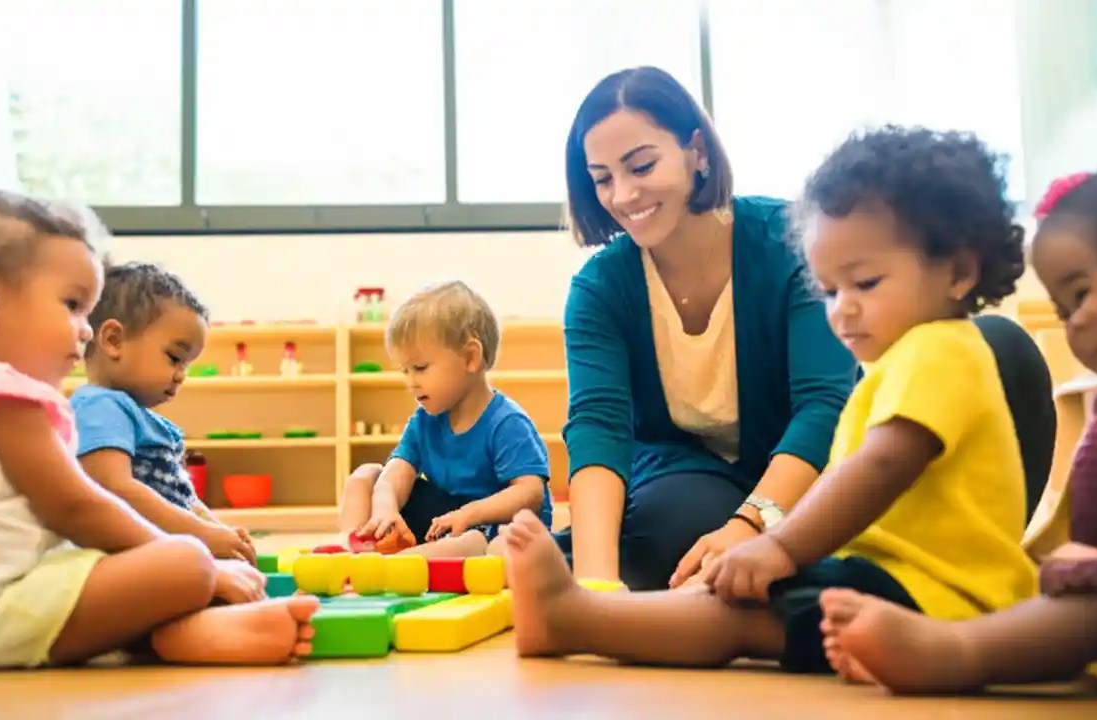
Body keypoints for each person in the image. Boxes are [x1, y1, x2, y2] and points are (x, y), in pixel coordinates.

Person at [502, 126, 1039, 676]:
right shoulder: (908, 360)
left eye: (866, 284)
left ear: (957, 272)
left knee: (737, 615)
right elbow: (598, 422)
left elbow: (877, 466)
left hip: (934, 593)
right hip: (890, 576)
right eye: (829, 291)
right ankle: (576, 608)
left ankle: (574, 619)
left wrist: (778, 546)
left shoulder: (939, 353)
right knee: (730, 599)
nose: (841, 311)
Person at [0, 191, 317, 669]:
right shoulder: (1, 396)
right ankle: (190, 618)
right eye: (72, 306)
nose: (85, 330)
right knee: (185, 562)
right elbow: (76, 506)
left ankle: (189, 636)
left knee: (147, 569)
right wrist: (205, 568)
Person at [819, 160, 1097, 694]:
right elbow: (1089, 510)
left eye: (1082, 294)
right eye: (1063, 308)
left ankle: (956, 651)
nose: (1076, 324)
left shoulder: (940, 352)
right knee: (1084, 611)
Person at [556, 66, 856, 590]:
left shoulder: (791, 244)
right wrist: (594, 587)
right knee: (674, 531)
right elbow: (598, 428)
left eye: (641, 166)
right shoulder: (599, 288)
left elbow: (823, 405)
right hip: (690, 481)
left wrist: (750, 524)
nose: (624, 194)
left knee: (754, 539)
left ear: (697, 151)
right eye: (603, 178)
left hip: (808, 467)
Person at [338, 280, 552, 558]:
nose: (411, 382)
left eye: (420, 368)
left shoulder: (506, 422)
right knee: (366, 475)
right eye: (405, 371)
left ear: (470, 358)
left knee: (480, 542)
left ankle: (410, 562)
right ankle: (352, 547)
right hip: (443, 523)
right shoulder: (424, 420)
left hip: (493, 526)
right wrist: (384, 510)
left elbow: (530, 493)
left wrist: (470, 513)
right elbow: (393, 478)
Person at [70, 261, 256, 563]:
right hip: (126, 557)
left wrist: (221, 532)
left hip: (164, 550)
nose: (181, 375)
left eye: (187, 365)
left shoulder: (145, 420)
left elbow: (184, 499)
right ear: (114, 341)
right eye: (174, 358)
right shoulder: (98, 405)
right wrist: (203, 536)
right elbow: (115, 489)